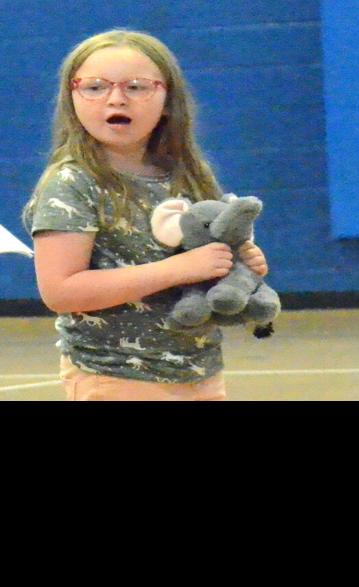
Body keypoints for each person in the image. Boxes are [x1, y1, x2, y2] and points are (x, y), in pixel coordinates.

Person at [21, 30, 271, 402]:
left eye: (137, 87)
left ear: (167, 99)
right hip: (116, 376)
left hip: (199, 368)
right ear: (71, 98)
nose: (116, 98)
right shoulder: (72, 183)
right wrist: (183, 268)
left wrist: (242, 263)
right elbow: (60, 290)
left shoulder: (188, 173)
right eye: (94, 87)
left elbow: (209, 252)